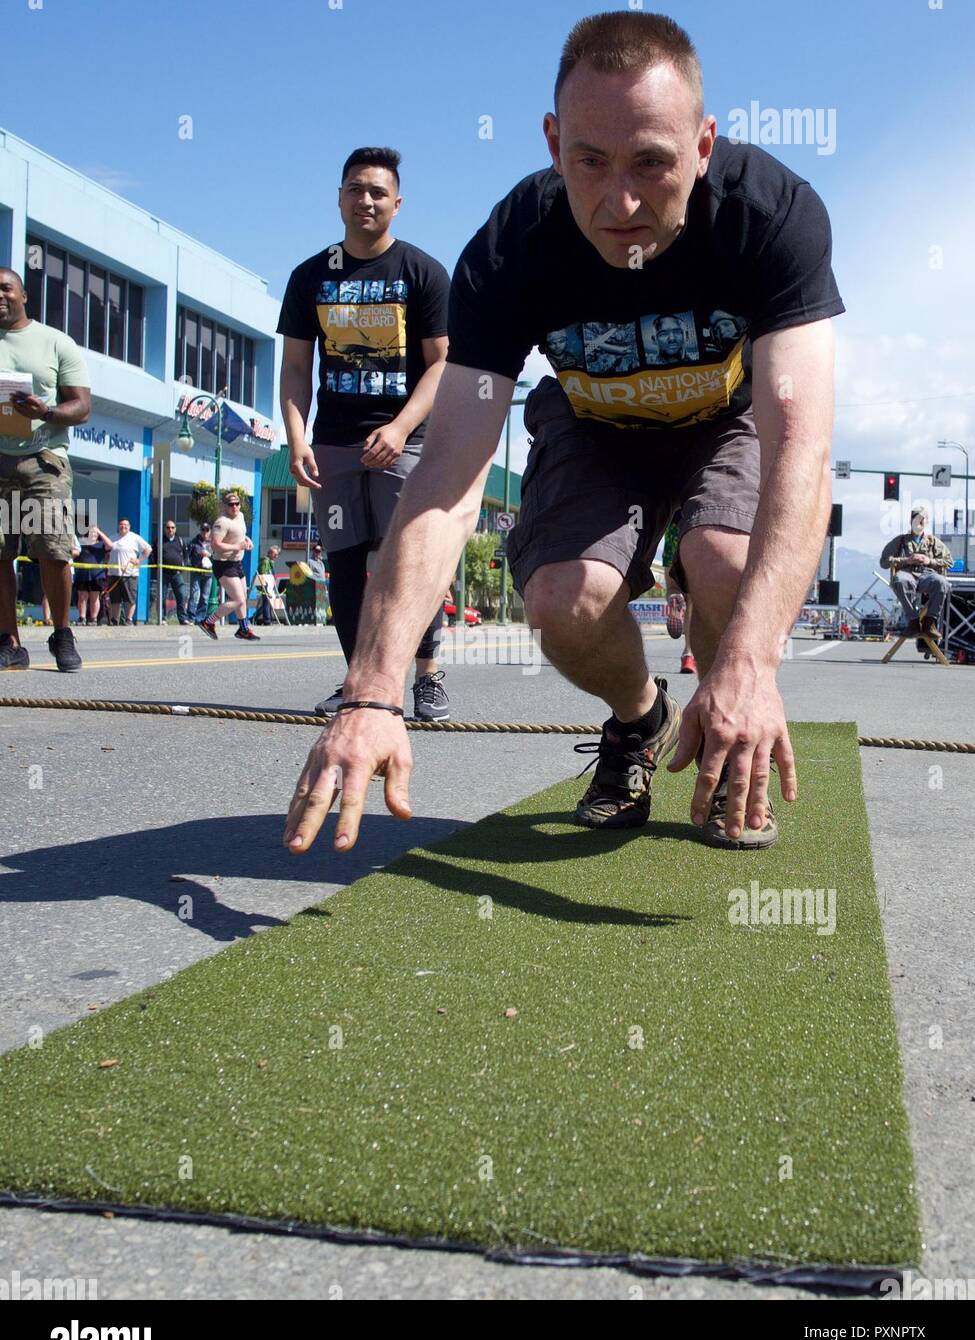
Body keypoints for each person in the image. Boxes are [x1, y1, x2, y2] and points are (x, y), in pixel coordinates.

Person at [284, 10, 844, 857]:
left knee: (725, 565)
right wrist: (372, 689)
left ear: (702, 145)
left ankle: (726, 723)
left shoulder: (768, 213)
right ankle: (639, 721)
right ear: (553, 144)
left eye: (651, 162)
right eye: (590, 161)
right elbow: (449, 473)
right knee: (561, 600)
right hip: (595, 424)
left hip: (723, 421)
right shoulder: (511, 248)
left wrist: (750, 665)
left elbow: (801, 444)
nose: (621, 202)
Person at [278, 145, 452, 721]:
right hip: (334, 443)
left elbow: (441, 364)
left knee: (411, 561)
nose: (366, 200)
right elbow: (296, 368)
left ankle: (426, 676)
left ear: (397, 204)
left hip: (406, 441)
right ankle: (360, 681)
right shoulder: (310, 276)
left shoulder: (422, 272)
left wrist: (401, 428)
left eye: (378, 192)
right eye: (356, 189)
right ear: (339, 199)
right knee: (345, 563)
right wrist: (297, 438)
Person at [0, 266, 91, 672]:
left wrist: (47, 411)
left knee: (52, 551)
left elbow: (82, 407)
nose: (0, 296)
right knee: (0, 554)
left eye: (6, 288)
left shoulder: (55, 342)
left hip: (43, 458)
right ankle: (10, 642)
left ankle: (62, 633)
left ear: (23, 295)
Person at [880, 506, 953, 640]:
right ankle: (913, 621)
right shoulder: (900, 541)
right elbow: (884, 561)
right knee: (901, 581)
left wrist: (929, 561)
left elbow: (949, 561)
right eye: (917, 518)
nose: (920, 521)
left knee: (941, 583)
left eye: (923, 519)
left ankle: (929, 623)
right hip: (906, 572)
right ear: (911, 521)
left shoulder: (933, 542)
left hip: (927, 574)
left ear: (927, 522)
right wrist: (906, 560)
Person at [195, 492, 258, 641]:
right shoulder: (222, 522)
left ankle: (243, 629)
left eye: (237, 504)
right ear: (225, 506)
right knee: (238, 600)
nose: (234, 507)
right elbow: (215, 545)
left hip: (236, 562)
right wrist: (237, 546)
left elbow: (239, 534)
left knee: (243, 598)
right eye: (230, 504)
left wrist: (247, 541)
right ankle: (208, 622)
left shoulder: (240, 516)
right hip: (223, 564)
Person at [662, 512, 696, 674]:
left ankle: (675, 597)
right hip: (695, 528)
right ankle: (688, 655)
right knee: (692, 599)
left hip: (673, 531)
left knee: (672, 588)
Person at [105, 518, 151, 624]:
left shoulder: (135, 538)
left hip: (130, 573)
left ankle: (128, 619)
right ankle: (114, 619)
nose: (123, 526)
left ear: (129, 527)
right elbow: (107, 551)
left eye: (125, 525)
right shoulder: (112, 538)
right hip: (114, 573)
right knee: (115, 599)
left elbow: (148, 549)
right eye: (121, 524)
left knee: (130, 598)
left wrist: (139, 560)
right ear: (118, 526)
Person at [155, 519, 191, 623]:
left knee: (181, 596)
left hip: (177, 574)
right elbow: (154, 555)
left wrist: (183, 566)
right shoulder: (159, 540)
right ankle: (162, 618)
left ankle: (183, 619)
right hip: (163, 573)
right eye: (168, 527)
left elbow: (186, 555)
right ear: (165, 529)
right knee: (162, 597)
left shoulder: (180, 540)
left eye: (172, 527)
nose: (170, 529)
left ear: (175, 529)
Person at [75, 524, 109, 625]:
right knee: (82, 597)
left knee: (94, 598)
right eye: (90, 532)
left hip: (97, 575)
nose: (93, 534)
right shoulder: (81, 543)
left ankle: (93, 619)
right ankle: (82, 618)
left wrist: (100, 532)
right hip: (82, 574)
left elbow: (111, 545)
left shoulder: (101, 544)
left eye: (95, 533)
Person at [186, 523, 213, 622]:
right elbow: (187, 557)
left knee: (205, 597)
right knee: (194, 595)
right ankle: (191, 617)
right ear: (200, 530)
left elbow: (216, 557)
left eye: (207, 530)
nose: (205, 532)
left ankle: (200, 618)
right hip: (196, 572)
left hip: (208, 573)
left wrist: (209, 555)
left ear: (210, 531)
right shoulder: (193, 542)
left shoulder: (213, 543)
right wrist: (196, 560)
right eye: (203, 530)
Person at [254, 544, 281, 625]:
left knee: (268, 602)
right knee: (267, 601)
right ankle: (267, 620)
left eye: (277, 555)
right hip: (265, 584)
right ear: (270, 553)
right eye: (275, 554)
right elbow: (263, 573)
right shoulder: (266, 561)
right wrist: (266, 584)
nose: (276, 556)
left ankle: (257, 618)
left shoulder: (269, 561)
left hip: (268, 584)